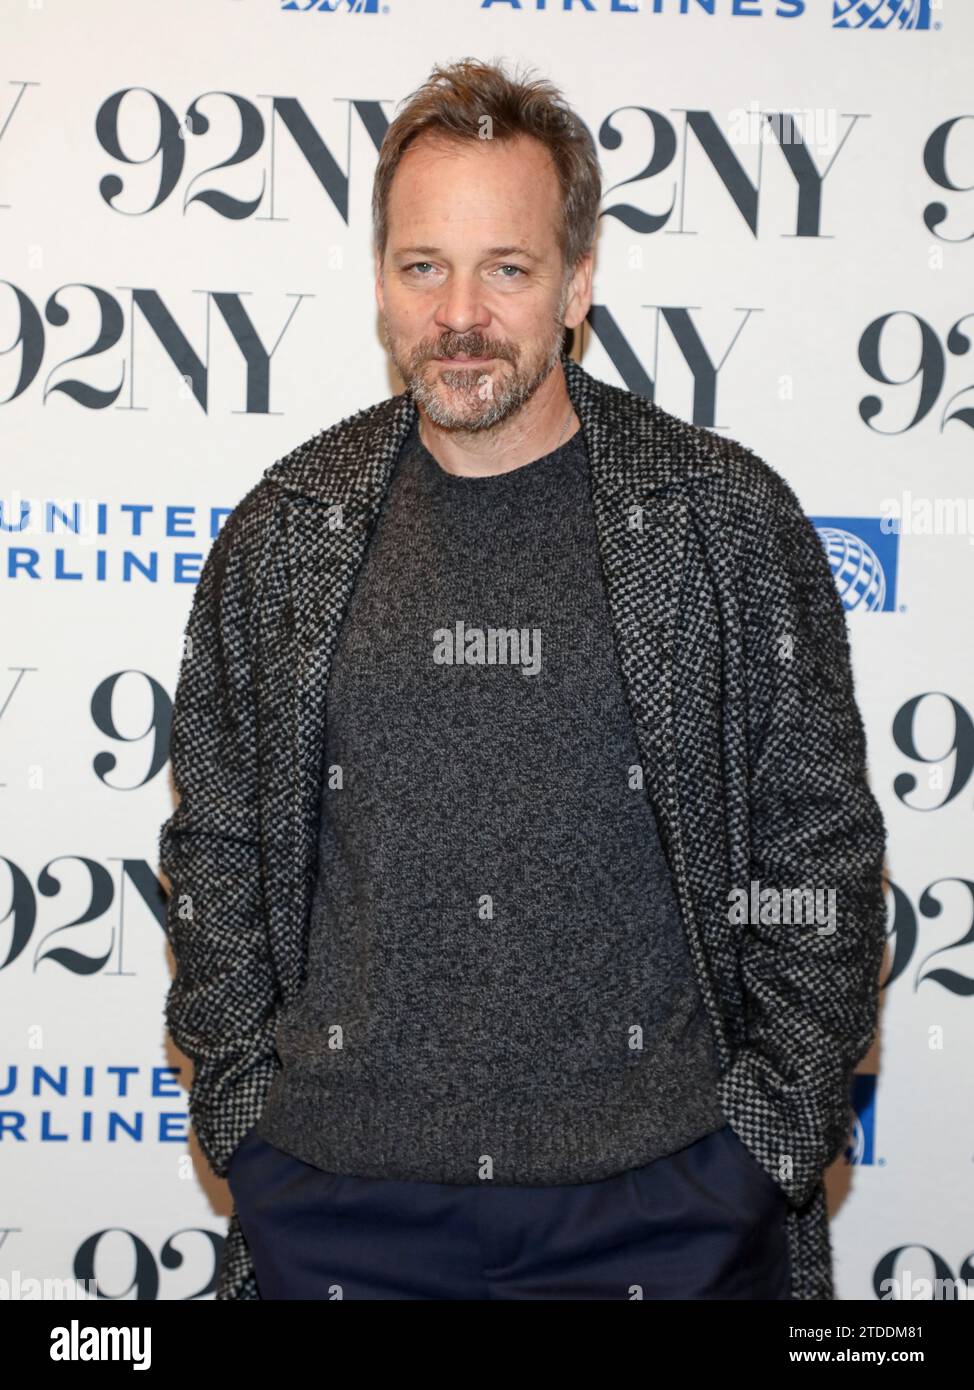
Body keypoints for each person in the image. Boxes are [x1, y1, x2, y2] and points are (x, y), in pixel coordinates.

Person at [159, 57, 888, 1302]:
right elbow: (217, 845)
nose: (460, 315)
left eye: (505, 267)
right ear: (382, 280)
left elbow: (816, 861)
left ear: (576, 283)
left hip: (661, 1211)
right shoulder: (287, 527)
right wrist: (249, 1123)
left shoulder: (720, 518)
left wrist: (755, 1151)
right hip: (340, 1211)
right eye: (421, 266)